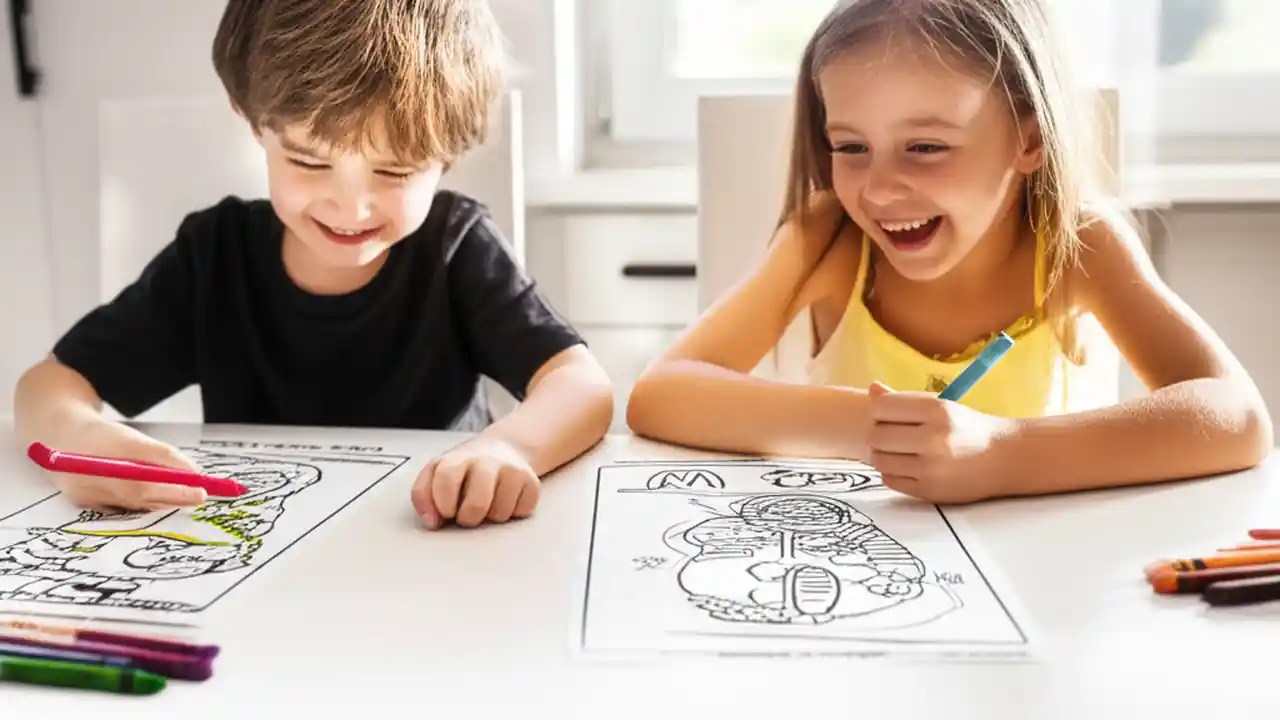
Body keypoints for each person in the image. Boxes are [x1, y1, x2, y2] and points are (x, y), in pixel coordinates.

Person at [626, 0, 1271, 504]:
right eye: (851, 147)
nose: (878, 188)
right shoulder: (828, 240)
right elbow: (661, 393)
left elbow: (1235, 415)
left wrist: (999, 453)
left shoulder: (1078, 246)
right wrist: (873, 429)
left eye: (926, 147)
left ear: (1028, 140)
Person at [14, 0, 613, 529]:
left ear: (448, 152)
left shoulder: (457, 248)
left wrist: (510, 449)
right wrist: (79, 438)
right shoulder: (213, 258)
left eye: (395, 172)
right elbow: (46, 387)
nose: (350, 206)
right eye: (308, 160)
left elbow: (580, 385)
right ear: (251, 121)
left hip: (429, 558)